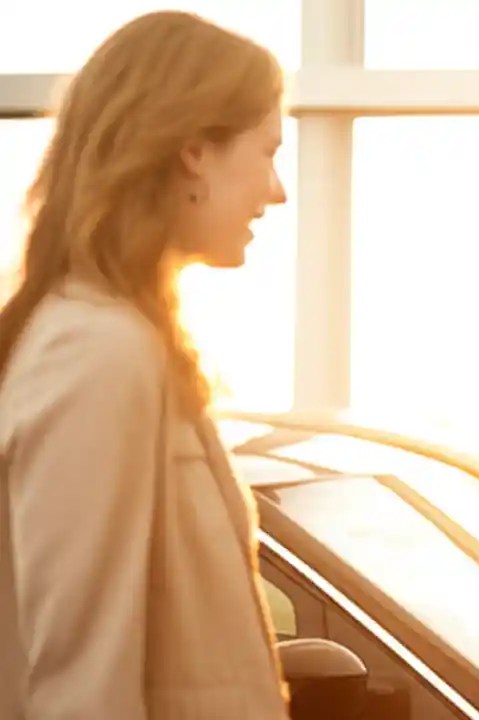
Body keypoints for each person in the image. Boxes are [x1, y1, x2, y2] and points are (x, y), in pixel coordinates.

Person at [0, 11, 291, 719]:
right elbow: (80, 681)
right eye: (266, 152)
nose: (277, 190)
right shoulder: (97, 348)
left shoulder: (124, 337)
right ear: (194, 152)